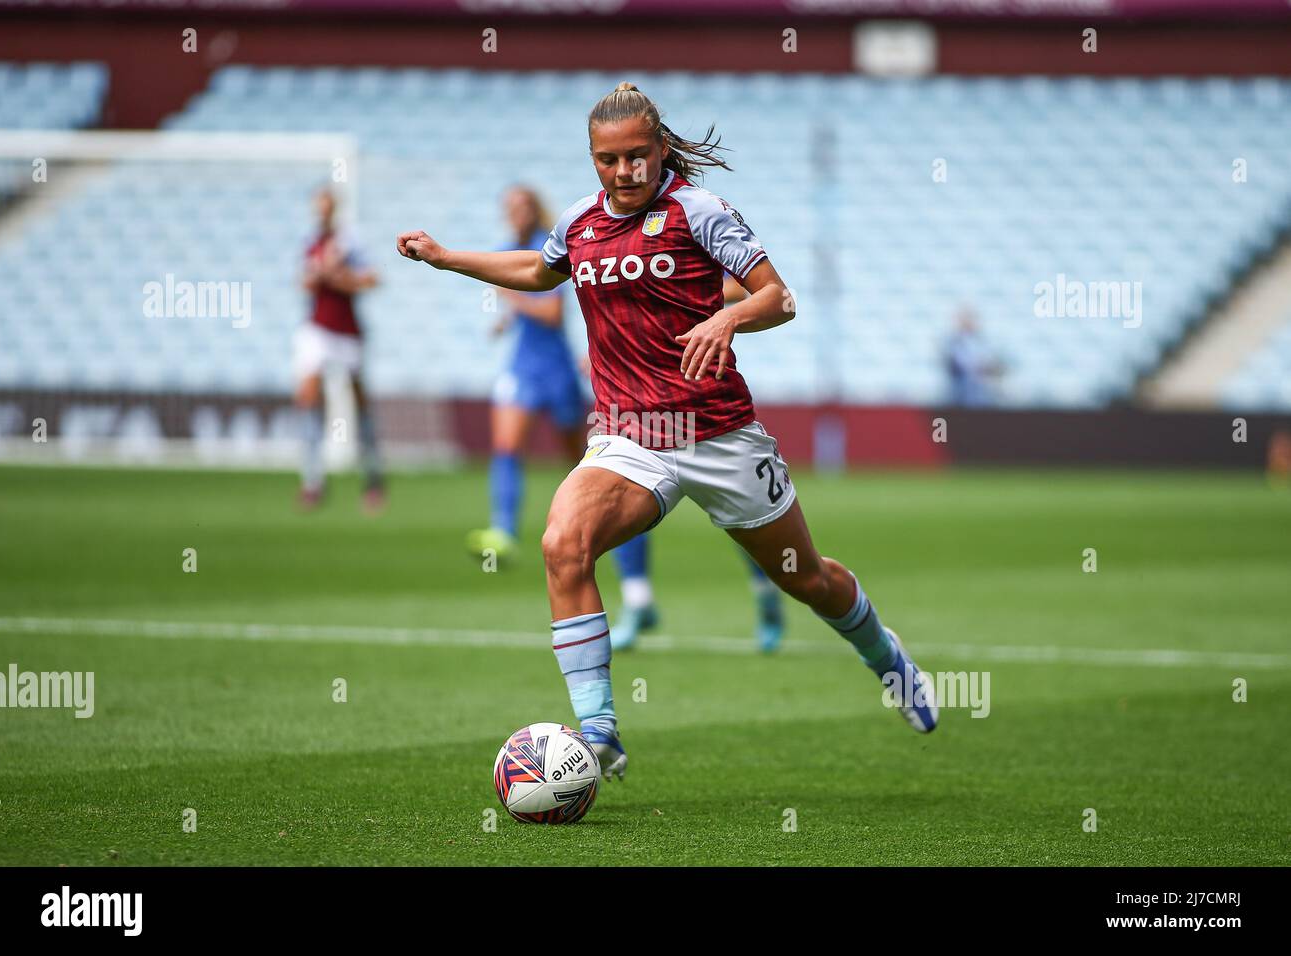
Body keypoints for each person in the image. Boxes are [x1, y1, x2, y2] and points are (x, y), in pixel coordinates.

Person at [398, 82, 938, 781]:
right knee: (563, 543)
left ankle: (885, 657)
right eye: (607, 160)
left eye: (636, 156)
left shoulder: (699, 212)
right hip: (630, 437)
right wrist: (448, 258)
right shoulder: (581, 224)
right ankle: (599, 733)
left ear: (661, 149)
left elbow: (779, 297)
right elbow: (538, 269)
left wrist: (727, 318)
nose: (624, 172)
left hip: (720, 436)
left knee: (808, 580)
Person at [609, 272, 786, 654]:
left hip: (705, 409)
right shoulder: (630, 245)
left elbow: (750, 290)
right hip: (644, 409)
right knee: (619, 501)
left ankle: (766, 591)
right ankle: (637, 600)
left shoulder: (695, 235)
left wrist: (675, 292)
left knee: (743, 521)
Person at [465, 186, 586, 560]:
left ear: (534, 210)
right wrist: (505, 320)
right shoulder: (504, 250)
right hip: (523, 367)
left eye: (522, 206)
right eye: (510, 207)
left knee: (579, 461)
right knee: (506, 446)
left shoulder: (547, 248)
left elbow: (551, 315)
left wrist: (511, 298)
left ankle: (589, 523)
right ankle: (503, 530)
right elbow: (524, 308)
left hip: (558, 369)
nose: (516, 213)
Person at [295, 186, 384, 511]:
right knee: (308, 396)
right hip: (317, 328)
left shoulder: (350, 241)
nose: (322, 213)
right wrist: (319, 276)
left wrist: (337, 277)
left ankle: (373, 475)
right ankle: (312, 480)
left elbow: (372, 279)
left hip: (347, 331)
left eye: (327, 207)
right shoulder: (311, 243)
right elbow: (304, 283)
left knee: (359, 403)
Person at [945, 307, 1003, 407]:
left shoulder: (982, 341)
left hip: (982, 395)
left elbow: (992, 364)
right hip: (961, 394)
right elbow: (964, 365)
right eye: (965, 319)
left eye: (970, 318)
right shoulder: (954, 342)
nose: (968, 322)